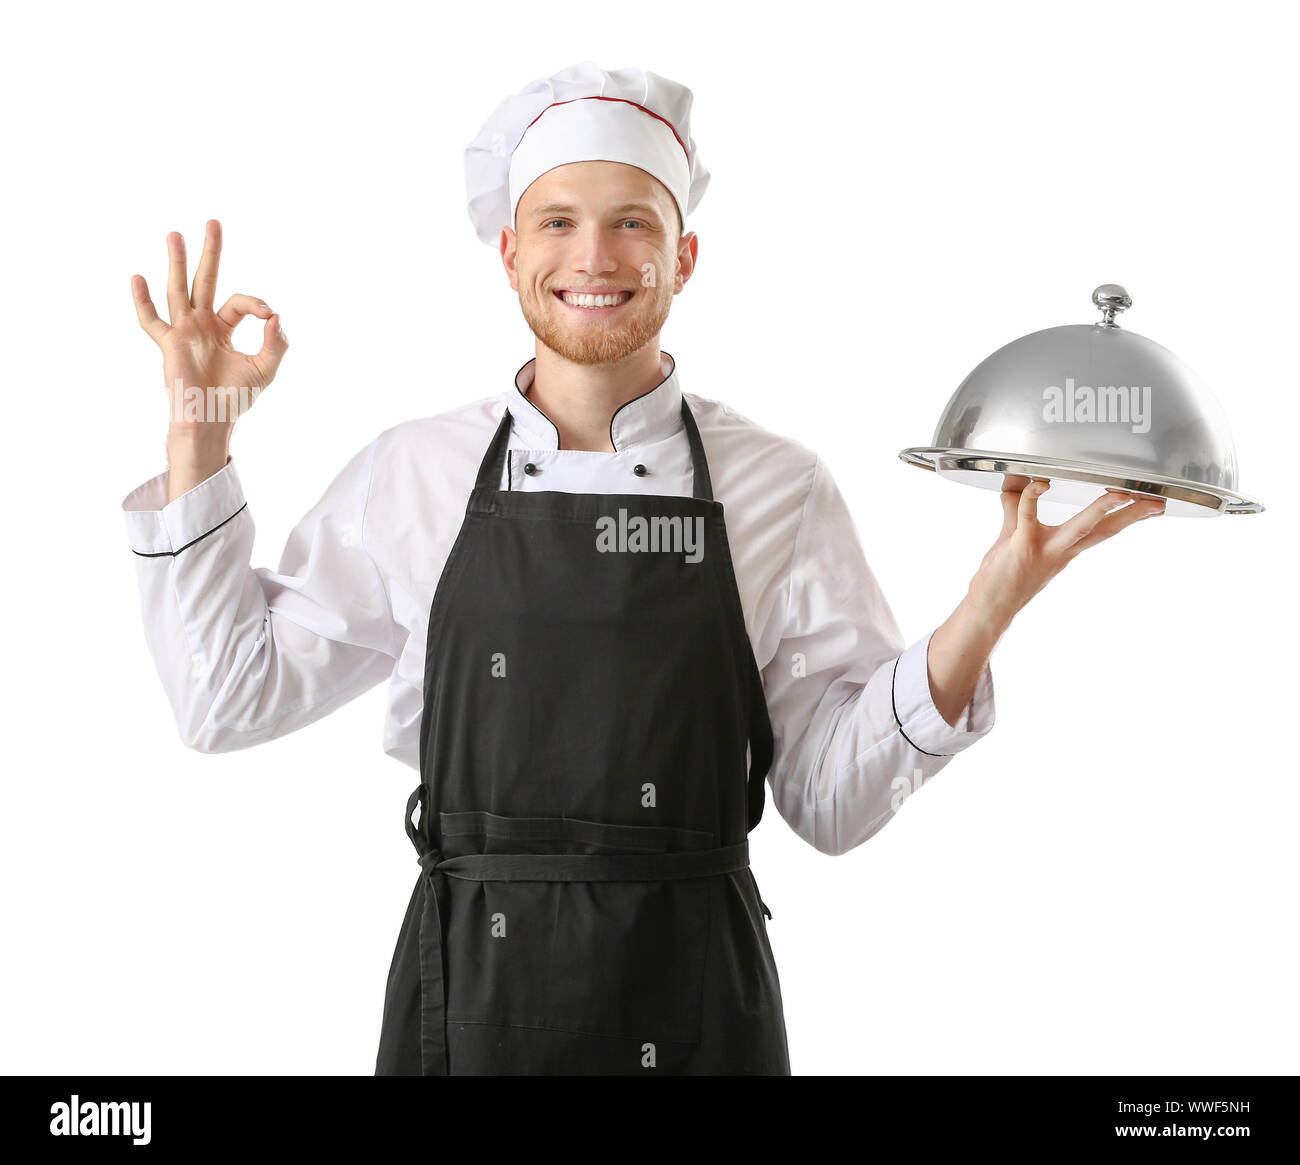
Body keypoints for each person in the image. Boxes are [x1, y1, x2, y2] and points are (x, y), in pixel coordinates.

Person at [123, 61, 1166, 1076]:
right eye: (558, 220)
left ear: (684, 255)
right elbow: (224, 696)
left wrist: (993, 599)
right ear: (507, 249)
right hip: (475, 1003)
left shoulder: (776, 486)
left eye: (632, 221)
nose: (595, 254)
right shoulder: (415, 472)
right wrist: (197, 430)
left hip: (697, 998)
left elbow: (828, 803)